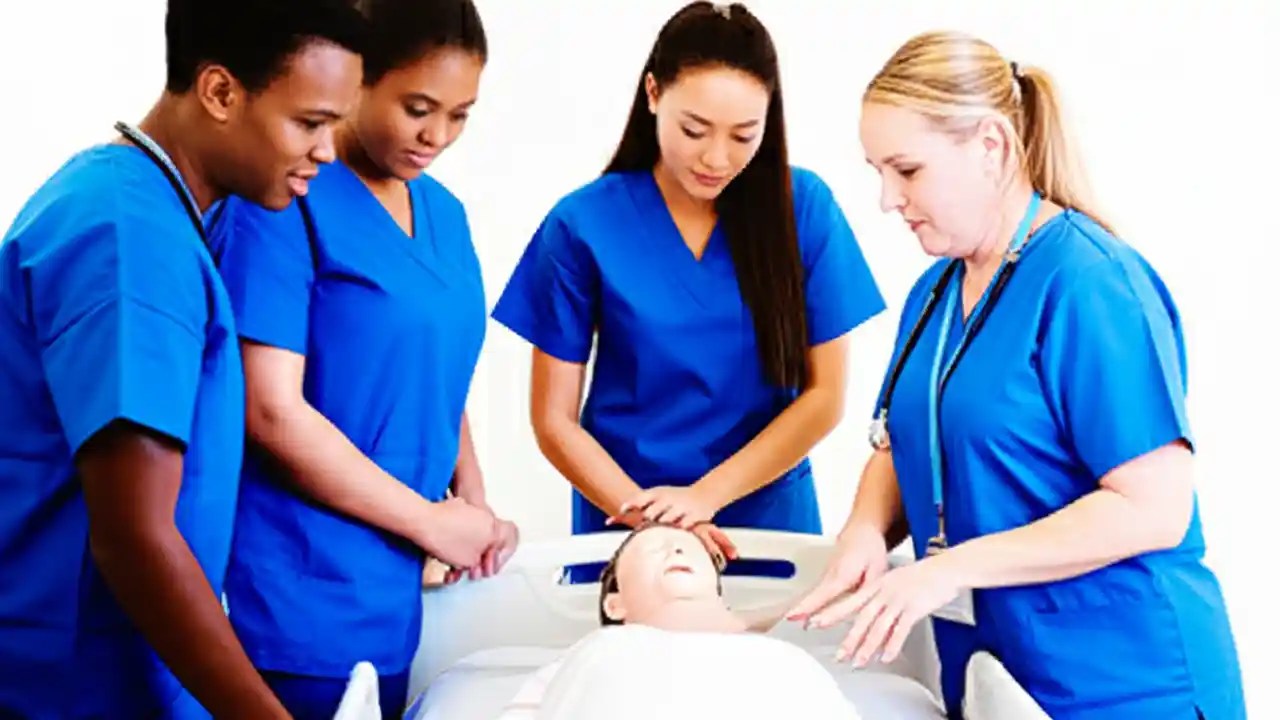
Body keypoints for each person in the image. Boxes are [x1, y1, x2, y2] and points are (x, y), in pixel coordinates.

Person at [786, 31, 1247, 720]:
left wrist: (949, 567)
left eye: (906, 171)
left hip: (1126, 682)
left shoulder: (1091, 284)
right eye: (877, 171)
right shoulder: (936, 293)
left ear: (993, 146)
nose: (887, 199)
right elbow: (908, 438)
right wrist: (862, 530)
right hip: (997, 674)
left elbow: (1154, 507)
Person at [0, 1, 366, 717]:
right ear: (221, 92)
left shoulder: (159, 211)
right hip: (70, 686)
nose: (327, 151)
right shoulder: (130, 238)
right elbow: (134, 534)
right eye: (310, 123)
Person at [490, 1, 885, 581]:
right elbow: (554, 421)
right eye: (694, 130)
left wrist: (704, 497)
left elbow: (824, 399)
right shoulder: (582, 224)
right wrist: (652, 522)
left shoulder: (802, 209)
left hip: (765, 524)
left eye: (744, 135)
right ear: (653, 93)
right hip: (627, 519)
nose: (716, 158)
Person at [206, 1, 516, 718]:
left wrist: (471, 498)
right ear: (357, 79)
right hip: (295, 592)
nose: (437, 136)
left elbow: (429, 370)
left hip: (395, 593)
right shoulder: (282, 198)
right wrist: (431, 523)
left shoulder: (444, 213)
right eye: (418, 108)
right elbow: (270, 411)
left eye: (460, 115)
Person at [494, 523, 864, 720]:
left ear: (719, 591)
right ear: (615, 602)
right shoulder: (591, 654)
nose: (675, 548)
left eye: (688, 548)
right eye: (651, 548)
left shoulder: (784, 660)